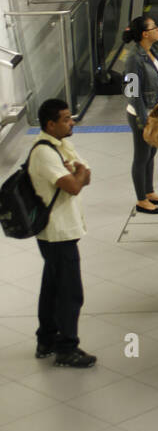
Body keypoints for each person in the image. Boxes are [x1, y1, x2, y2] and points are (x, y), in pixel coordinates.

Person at [29, 100, 95, 369]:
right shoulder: (44, 153)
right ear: (50, 124)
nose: (72, 122)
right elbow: (74, 186)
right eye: (67, 119)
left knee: (52, 286)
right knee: (70, 291)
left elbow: (85, 174)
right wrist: (77, 173)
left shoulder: (61, 145)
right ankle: (67, 348)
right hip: (56, 233)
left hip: (61, 230)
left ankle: (46, 339)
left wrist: (78, 173)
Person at [122, 16, 158, 216]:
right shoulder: (133, 57)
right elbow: (132, 92)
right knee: (141, 156)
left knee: (151, 154)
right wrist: (143, 119)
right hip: (141, 114)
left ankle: (149, 191)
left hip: (153, 111)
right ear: (144, 34)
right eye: (154, 27)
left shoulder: (153, 52)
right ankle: (141, 200)